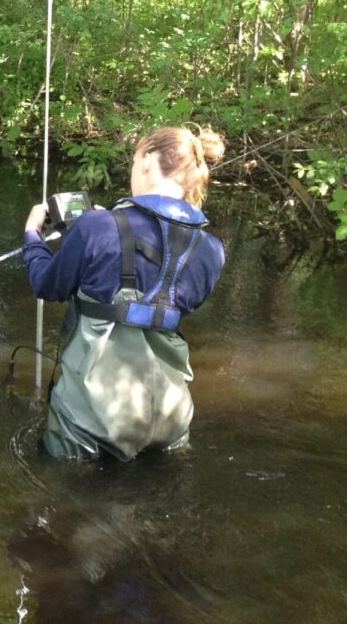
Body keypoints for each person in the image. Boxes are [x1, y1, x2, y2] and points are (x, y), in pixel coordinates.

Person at [22, 127, 227, 461]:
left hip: (88, 418)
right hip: (170, 419)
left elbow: (47, 284)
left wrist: (32, 236)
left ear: (146, 161)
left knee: (61, 500)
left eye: (133, 162)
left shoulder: (95, 227)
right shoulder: (213, 251)